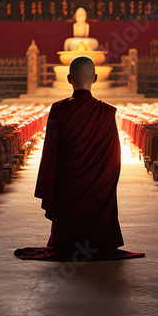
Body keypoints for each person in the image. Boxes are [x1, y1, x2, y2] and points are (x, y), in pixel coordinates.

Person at [34, 55, 124, 256]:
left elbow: (50, 156)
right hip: (98, 195)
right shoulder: (106, 112)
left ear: (69, 79)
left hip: (67, 195)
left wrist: (51, 188)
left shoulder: (58, 110)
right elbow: (114, 160)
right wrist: (103, 185)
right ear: (95, 78)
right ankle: (98, 238)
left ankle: (68, 240)